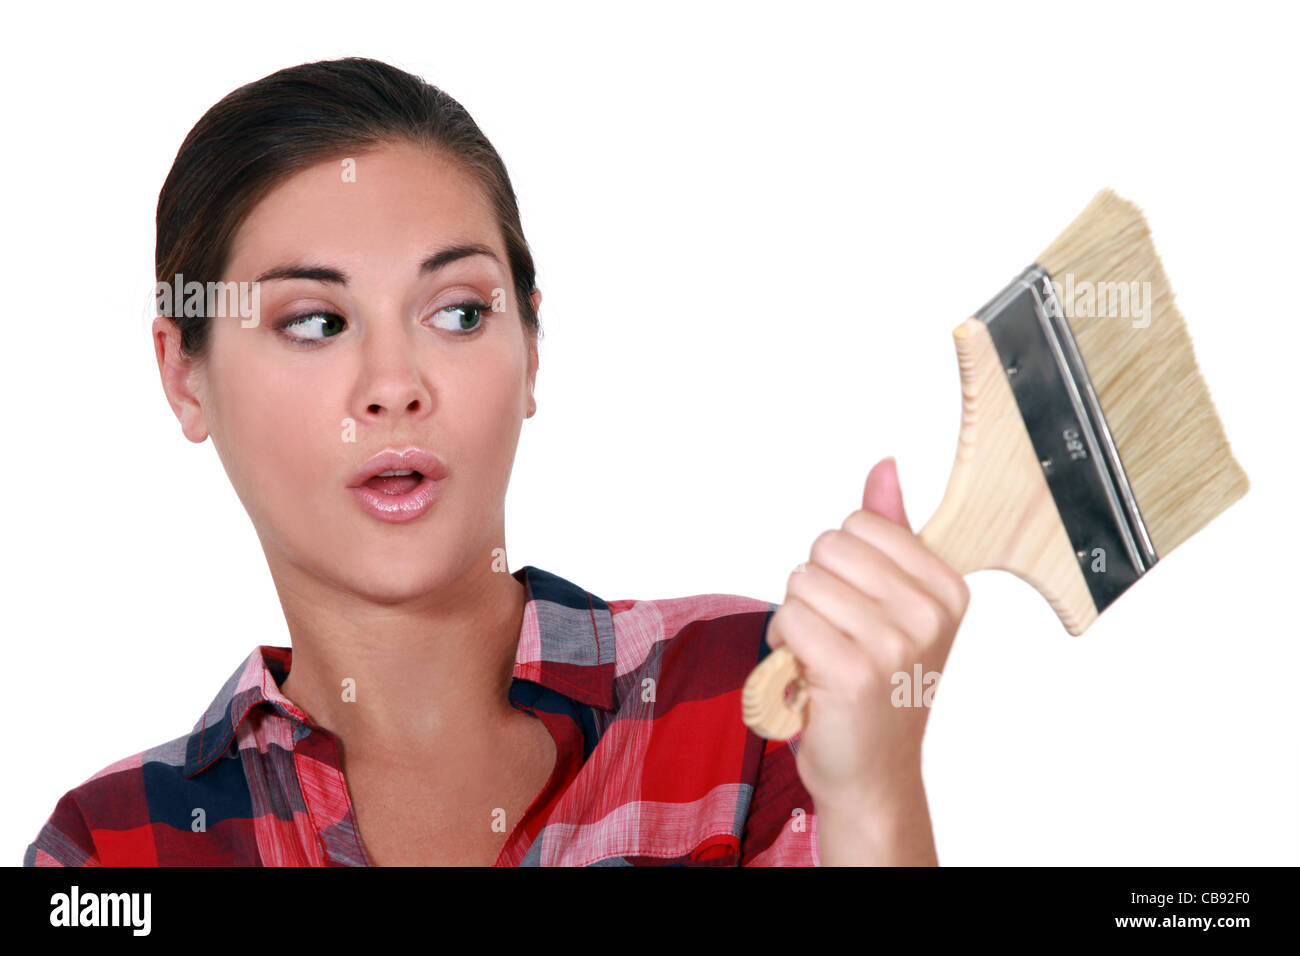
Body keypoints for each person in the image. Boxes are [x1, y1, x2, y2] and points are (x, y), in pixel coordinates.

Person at [24, 56, 968, 867]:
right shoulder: (116, 847)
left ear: (531, 350)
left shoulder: (754, 697)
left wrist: (875, 804)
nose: (393, 386)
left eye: (458, 312)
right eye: (314, 322)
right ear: (184, 378)